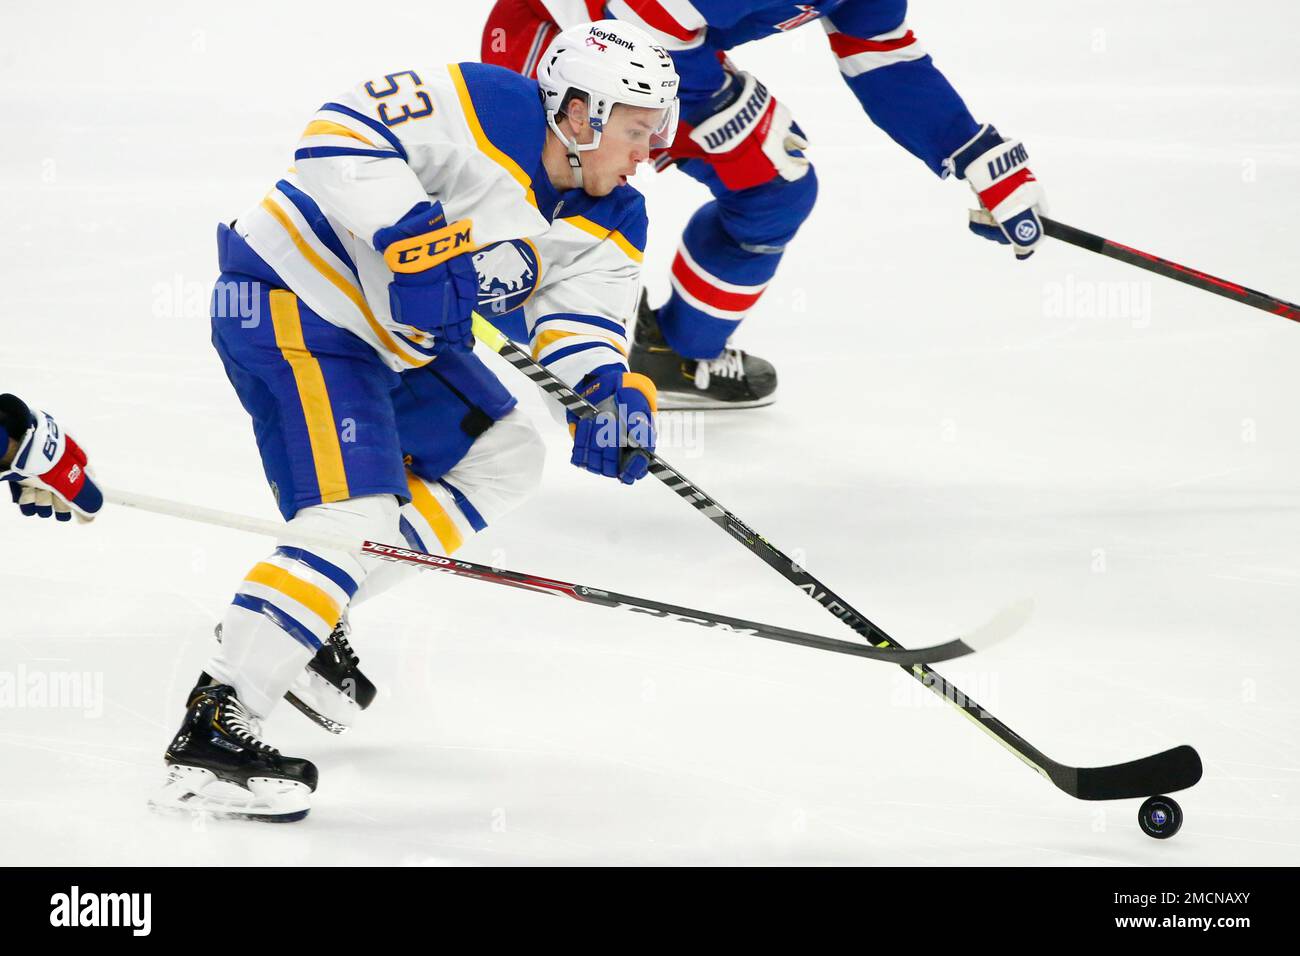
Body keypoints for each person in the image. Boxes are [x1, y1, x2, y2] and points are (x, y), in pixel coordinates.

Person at [1, 20, 679, 822]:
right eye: (639, 131)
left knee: (507, 453)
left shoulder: (615, 215)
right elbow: (341, 130)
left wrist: (607, 393)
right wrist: (411, 232)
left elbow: (579, 320)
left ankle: (313, 615)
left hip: (393, 346)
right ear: (580, 113)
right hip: (294, 300)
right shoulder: (492, 106)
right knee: (353, 516)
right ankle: (215, 729)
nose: (649, 153)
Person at [482, 0, 1047, 409]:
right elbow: (631, 12)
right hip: (568, 39)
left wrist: (970, 149)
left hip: (651, 51)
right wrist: (720, 98)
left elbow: (881, 52)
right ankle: (426, 358)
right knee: (540, 213)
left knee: (772, 190)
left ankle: (673, 353)